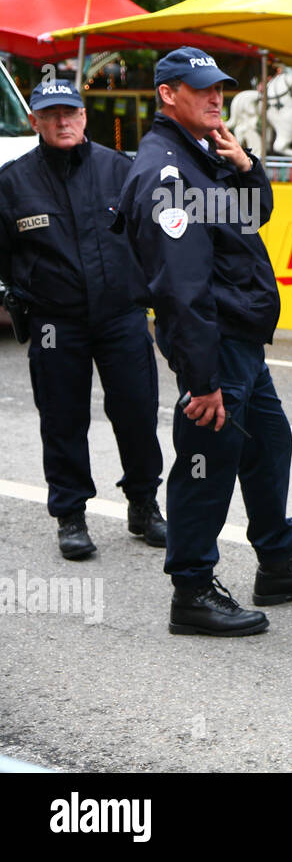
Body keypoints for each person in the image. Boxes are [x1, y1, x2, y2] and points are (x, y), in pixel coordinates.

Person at [115, 47, 292, 637]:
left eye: (220, 87)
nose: (217, 97)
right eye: (202, 88)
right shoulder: (167, 170)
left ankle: (277, 563)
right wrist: (201, 379)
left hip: (240, 339)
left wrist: (246, 166)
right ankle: (191, 590)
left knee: (270, 445)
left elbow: (255, 215)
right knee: (203, 464)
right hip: (216, 345)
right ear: (168, 94)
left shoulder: (203, 155)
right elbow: (180, 289)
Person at [0, 80, 165, 560]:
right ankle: (70, 515)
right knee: (62, 418)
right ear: (34, 122)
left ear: (85, 115)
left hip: (121, 316)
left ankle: (144, 504)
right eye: (50, 115)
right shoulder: (12, 182)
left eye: (70, 112)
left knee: (137, 412)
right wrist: (22, 293)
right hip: (56, 323)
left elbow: (150, 239)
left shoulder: (122, 170)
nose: (62, 121)